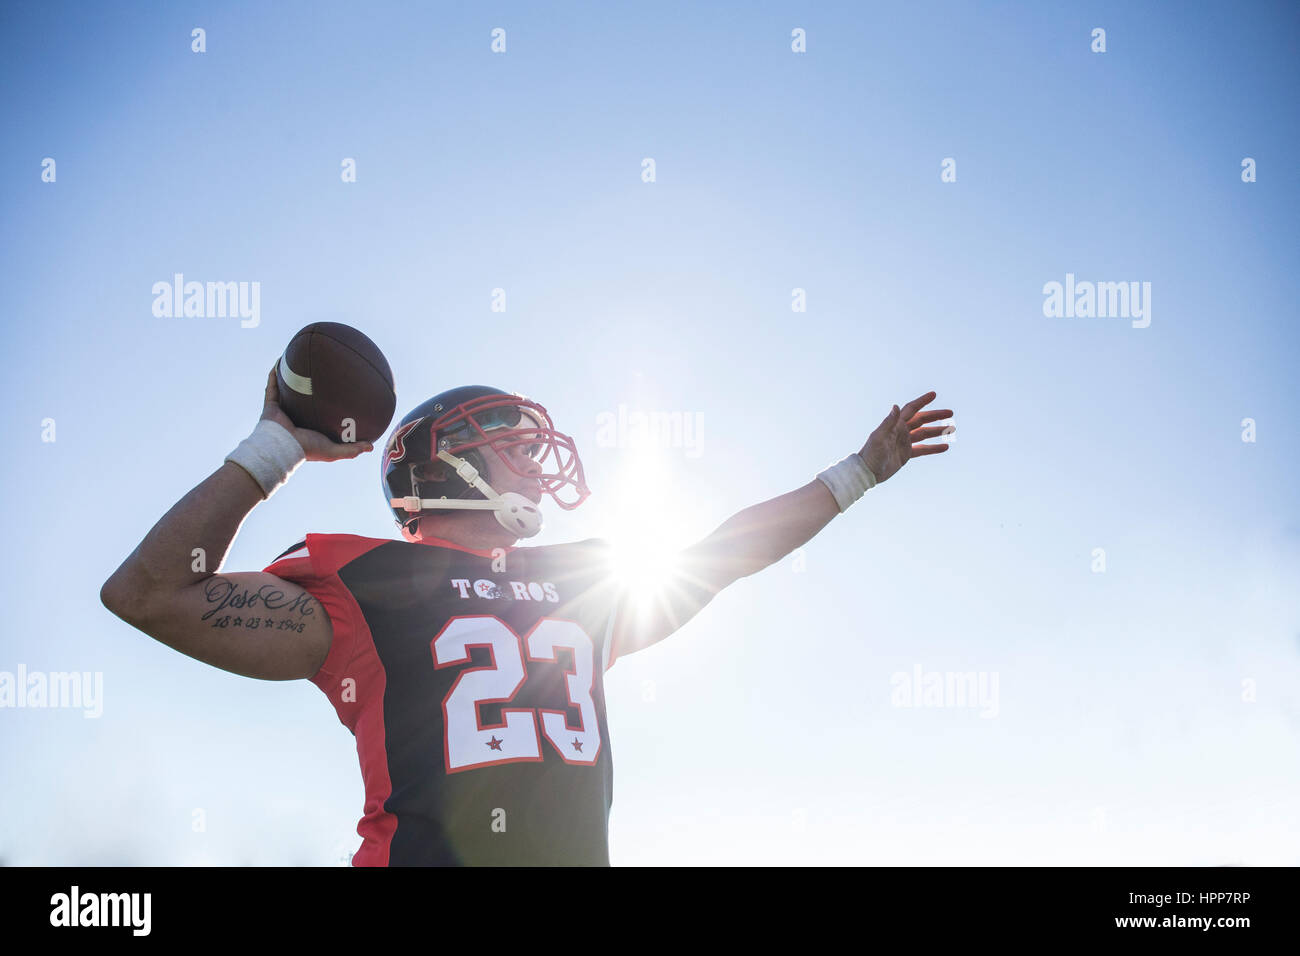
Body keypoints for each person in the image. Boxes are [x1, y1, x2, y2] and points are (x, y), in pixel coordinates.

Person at [101, 365, 954, 865]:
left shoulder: (583, 582)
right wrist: (276, 444)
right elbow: (147, 593)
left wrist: (856, 474)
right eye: (508, 438)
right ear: (444, 465)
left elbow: (728, 551)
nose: (535, 457)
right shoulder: (364, 576)